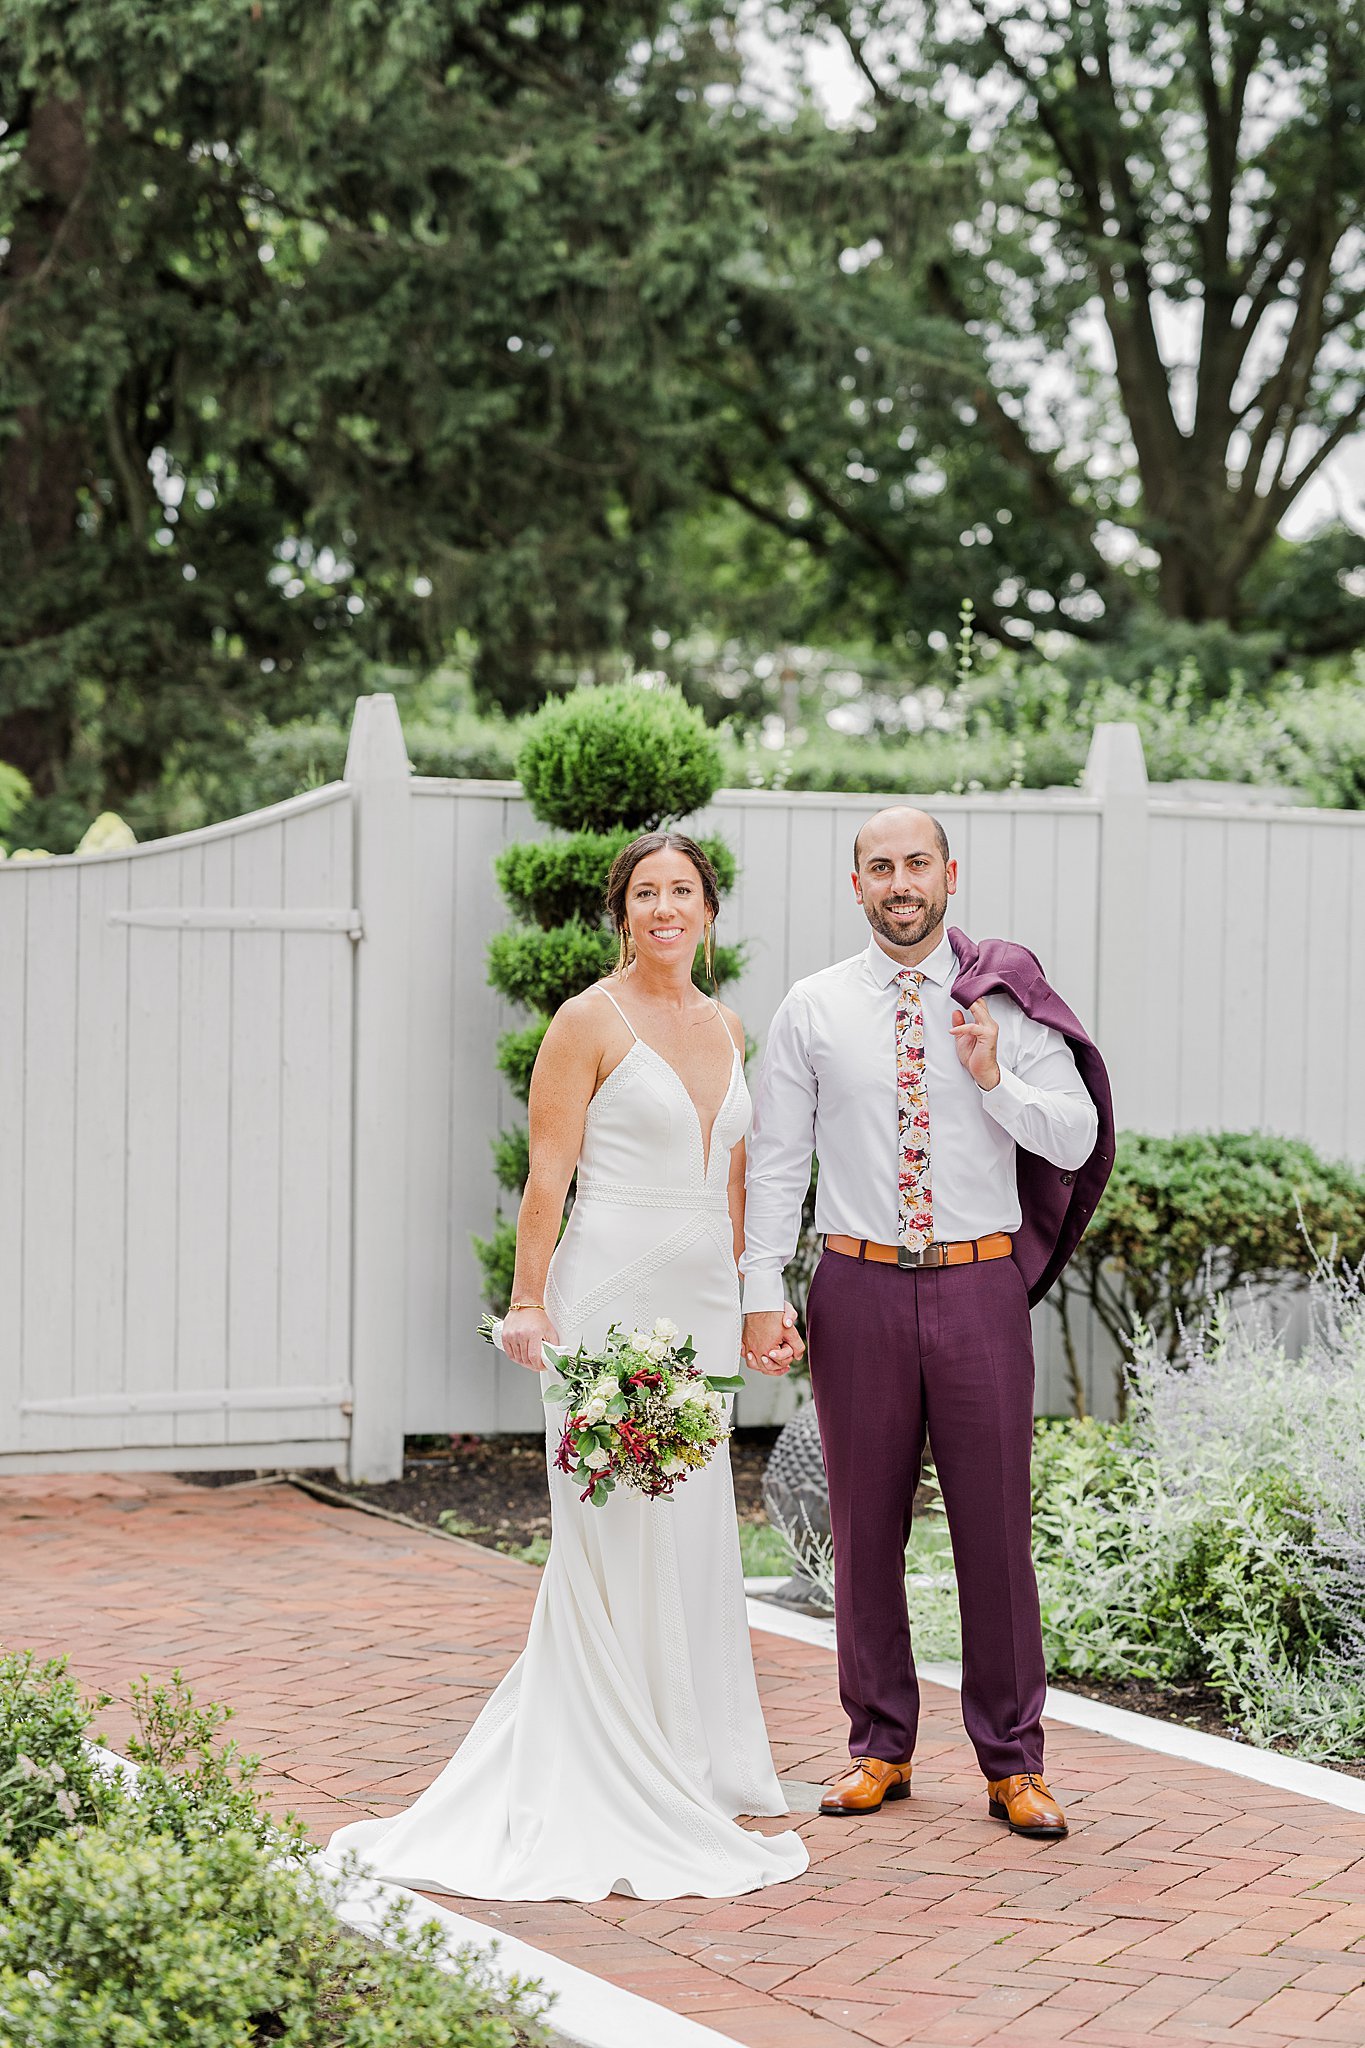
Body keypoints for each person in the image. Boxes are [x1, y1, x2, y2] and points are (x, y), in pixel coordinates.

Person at [328, 832, 809, 1901]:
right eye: (647, 892)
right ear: (621, 911)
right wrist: (530, 1299)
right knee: (606, 1531)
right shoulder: (587, 1021)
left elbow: (732, 1189)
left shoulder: (730, 1026)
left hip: (697, 1307)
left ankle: (689, 1753)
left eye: (682, 890)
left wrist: (749, 1308)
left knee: (687, 1526)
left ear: (710, 910)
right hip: (603, 1304)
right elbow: (548, 1177)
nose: (665, 907)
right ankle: (603, 1761)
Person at [741, 807, 1113, 1839]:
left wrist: (995, 1075)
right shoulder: (812, 1008)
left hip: (977, 1286)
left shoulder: (1004, 999)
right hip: (856, 1285)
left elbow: (1077, 1136)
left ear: (950, 873)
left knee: (995, 1528)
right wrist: (759, 1287)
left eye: (915, 863)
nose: (900, 881)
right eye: (879, 866)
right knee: (864, 1526)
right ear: (855, 883)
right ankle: (880, 1743)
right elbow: (777, 1159)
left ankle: (1013, 1760)